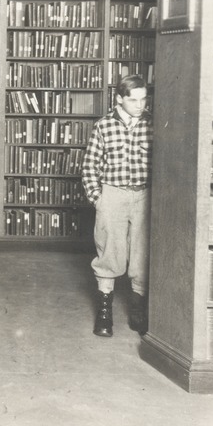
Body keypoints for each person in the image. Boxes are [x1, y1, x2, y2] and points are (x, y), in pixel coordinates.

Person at [81, 74, 152, 338]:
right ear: (119, 99)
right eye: (133, 99)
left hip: (145, 195)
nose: (140, 104)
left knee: (142, 251)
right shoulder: (104, 125)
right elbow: (90, 166)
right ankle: (104, 311)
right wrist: (97, 198)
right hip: (113, 194)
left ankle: (138, 308)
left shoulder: (152, 125)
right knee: (110, 251)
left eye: (144, 98)